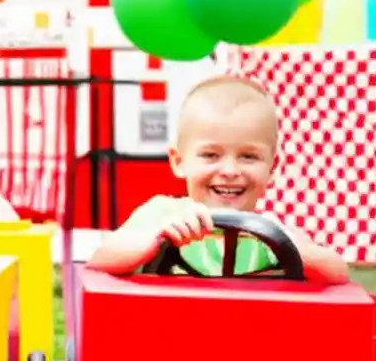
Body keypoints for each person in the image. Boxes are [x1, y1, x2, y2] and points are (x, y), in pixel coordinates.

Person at [86, 75, 349, 283]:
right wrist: (155, 237)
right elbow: (101, 259)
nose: (230, 170)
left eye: (248, 156)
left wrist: (293, 247)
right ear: (179, 161)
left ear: (272, 167)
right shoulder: (162, 213)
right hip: (168, 331)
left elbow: (337, 273)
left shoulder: (272, 231)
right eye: (211, 155)